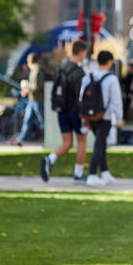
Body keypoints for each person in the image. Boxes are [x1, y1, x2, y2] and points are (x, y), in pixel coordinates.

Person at [41, 40, 90, 182]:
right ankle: (78, 173)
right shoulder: (78, 72)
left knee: (67, 143)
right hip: (75, 111)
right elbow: (80, 96)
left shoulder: (60, 66)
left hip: (61, 109)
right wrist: (84, 115)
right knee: (82, 141)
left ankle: (50, 158)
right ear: (81, 53)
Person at [80, 50, 122, 186]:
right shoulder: (111, 79)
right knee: (99, 144)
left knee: (101, 143)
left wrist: (84, 117)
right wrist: (119, 117)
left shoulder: (88, 77)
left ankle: (104, 172)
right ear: (109, 62)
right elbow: (116, 101)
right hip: (105, 116)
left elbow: (82, 98)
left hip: (91, 116)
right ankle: (92, 174)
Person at [8, 52, 44, 145]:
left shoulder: (37, 70)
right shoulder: (35, 70)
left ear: (29, 61)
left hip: (38, 99)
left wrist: (27, 87)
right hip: (33, 99)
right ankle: (20, 139)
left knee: (42, 120)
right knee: (27, 119)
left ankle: (48, 138)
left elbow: (37, 86)